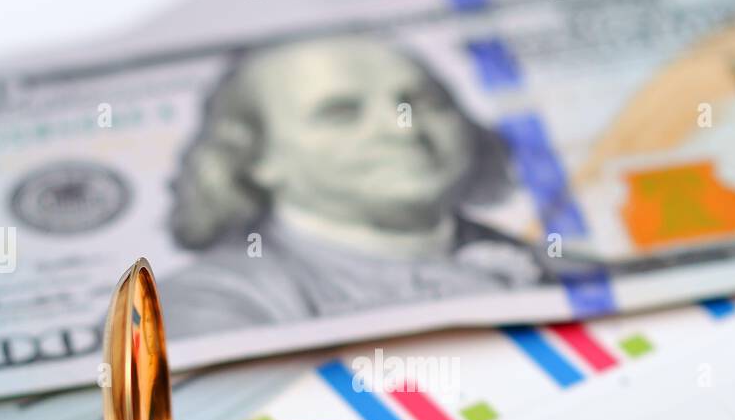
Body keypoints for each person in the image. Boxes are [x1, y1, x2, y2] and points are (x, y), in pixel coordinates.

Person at [157, 35, 559, 336]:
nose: (404, 129)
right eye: (341, 113)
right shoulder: (207, 304)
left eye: (423, 102)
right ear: (256, 156)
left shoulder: (562, 268)